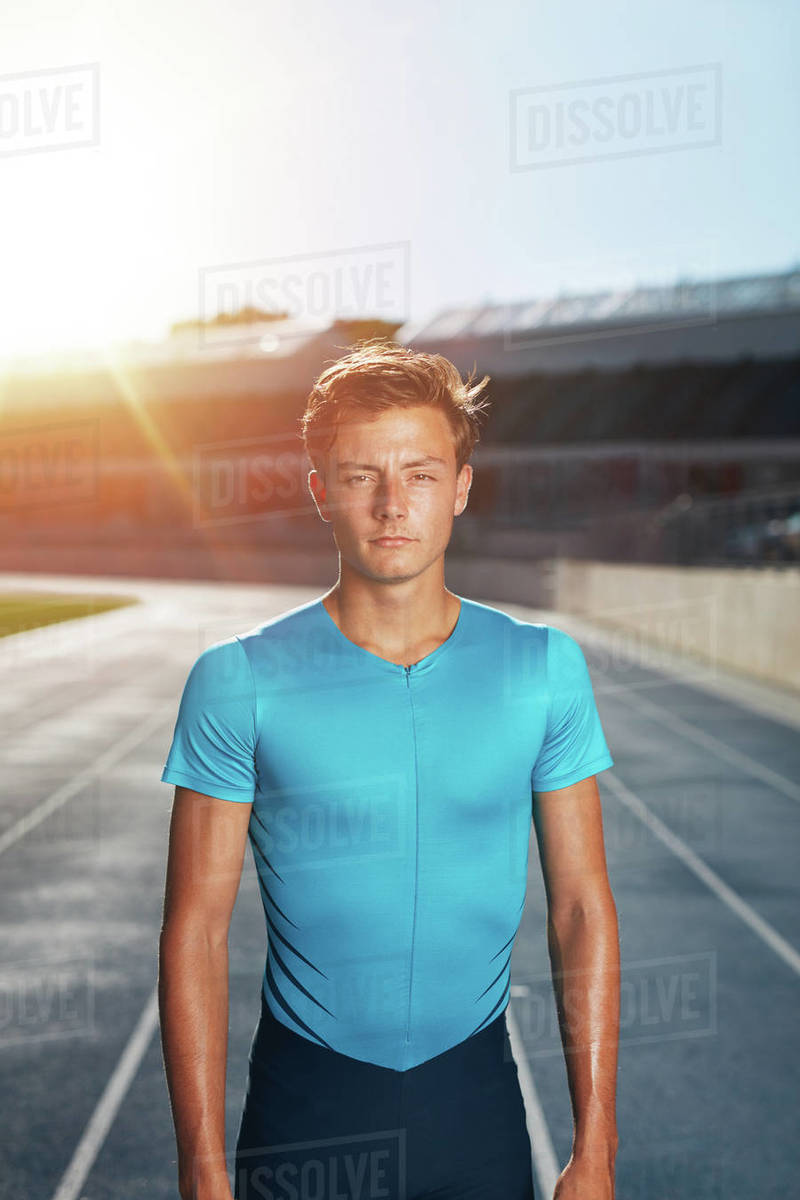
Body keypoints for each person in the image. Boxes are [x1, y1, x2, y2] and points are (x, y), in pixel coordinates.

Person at [158, 341, 620, 1200]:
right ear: (320, 492)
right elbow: (197, 930)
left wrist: (596, 1149)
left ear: (462, 488)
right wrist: (202, 1168)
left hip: (474, 1112)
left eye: (420, 474)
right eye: (361, 475)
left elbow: (582, 908)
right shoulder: (238, 680)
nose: (392, 504)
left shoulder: (541, 669)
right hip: (305, 1115)